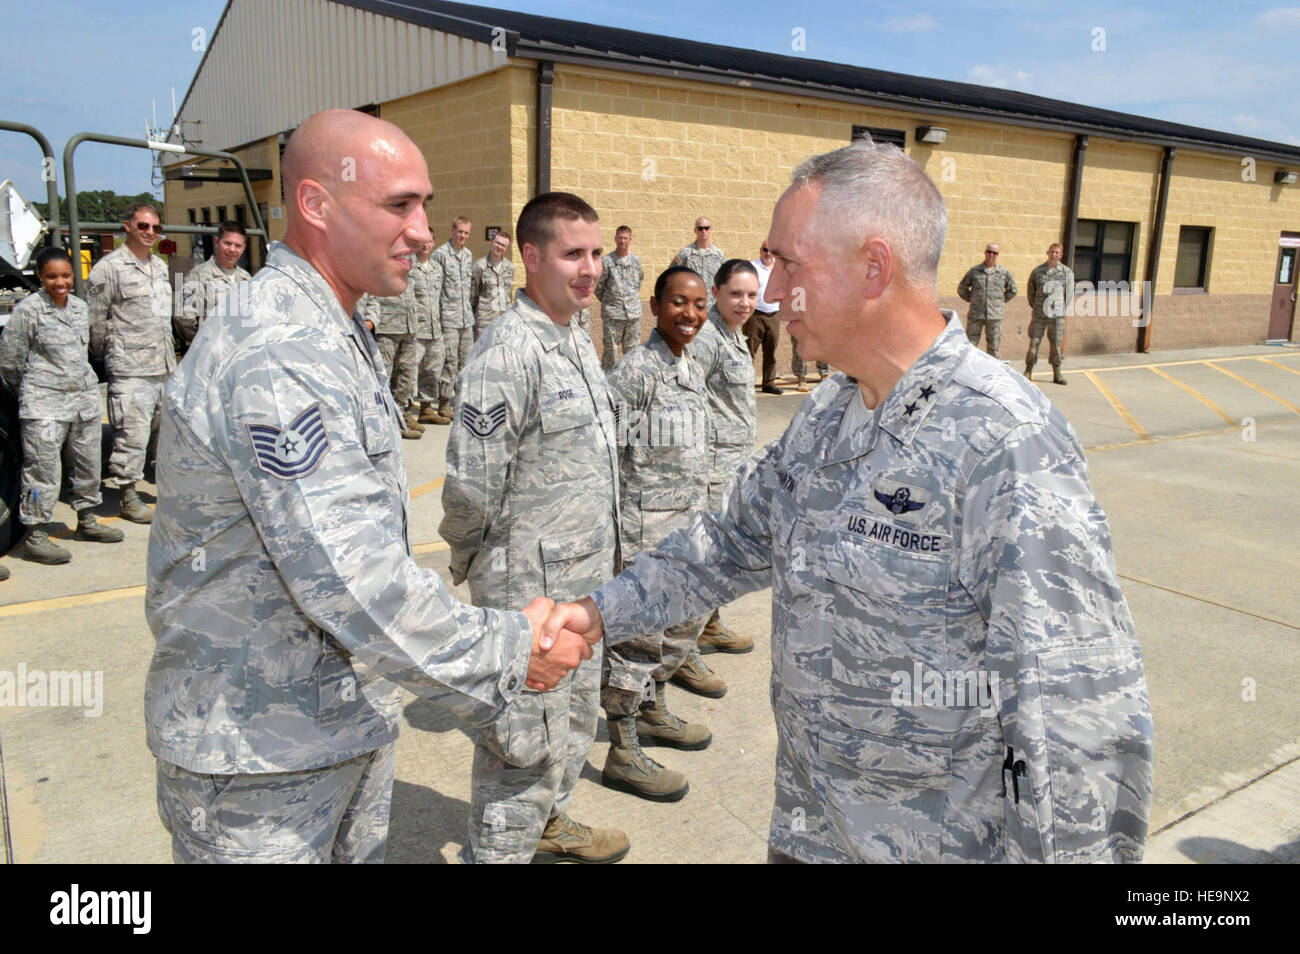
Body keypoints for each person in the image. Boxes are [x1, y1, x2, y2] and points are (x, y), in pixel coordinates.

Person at [546, 139, 1153, 863]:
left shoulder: (1003, 439)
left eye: (787, 262)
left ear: (873, 267)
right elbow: (728, 542)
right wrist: (592, 613)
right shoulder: (831, 410)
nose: (767, 288)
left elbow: (1075, 716)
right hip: (811, 830)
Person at [143, 109, 594, 864]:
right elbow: (351, 579)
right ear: (316, 205)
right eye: (399, 205)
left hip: (330, 724)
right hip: (261, 760)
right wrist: (514, 650)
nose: (422, 230)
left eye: (423, 204)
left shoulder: (331, 327)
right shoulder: (282, 348)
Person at [441, 192, 627, 865]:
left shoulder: (574, 337)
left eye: (596, 253)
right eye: (572, 254)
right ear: (530, 256)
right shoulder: (508, 352)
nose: (589, 269)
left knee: (573, 724)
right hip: (528, 586)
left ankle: (552, 821)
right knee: (522, 742)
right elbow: (470, 483)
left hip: (581, 583)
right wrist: (480, 568)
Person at [599, 266, 713, 803]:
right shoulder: (635, 373)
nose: (689, 314)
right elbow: (605, 455)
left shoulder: (690, 369)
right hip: (645, 535)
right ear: (654, 306)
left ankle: (653, 712)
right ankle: (622, 750)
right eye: (677, 303)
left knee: (678, 631)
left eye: (698, 304)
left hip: (687, 532)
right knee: (637, 642)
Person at [0, 247, 124, 565]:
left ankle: (86, 519)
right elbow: (10, 362)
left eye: (66, 275)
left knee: (87, 464)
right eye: (52, 276)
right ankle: (36, 534)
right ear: (40, 277)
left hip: (82, 402)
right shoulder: (29, 311)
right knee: (43, 471)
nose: (60, 282)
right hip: (44, 403)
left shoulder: (80, 309)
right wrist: (31, 392)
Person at [677, 259, 759, 693]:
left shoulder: (735, 335)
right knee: (702, 562)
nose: (744, 302)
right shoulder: (707, 339)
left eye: (750, 294)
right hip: (709, 470)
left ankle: (709, 626)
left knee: (720, 558)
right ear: (716, 293)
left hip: (733, 466)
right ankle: (683, 655)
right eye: (735, 294)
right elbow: (688, 398)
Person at [86, 203, 176, 524]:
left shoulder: (160, 267)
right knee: (131, 434)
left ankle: (164, 487)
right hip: (130, 368)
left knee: (166, 434)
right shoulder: (108, 269)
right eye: (143, 226)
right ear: (128, 226)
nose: (150, 232)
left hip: (163, 366)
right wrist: (107, 354)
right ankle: (127, 495)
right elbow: (95, 320)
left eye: (154, 227)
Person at [359, 257, 429, 439]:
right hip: (387, 327)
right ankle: (387, 421)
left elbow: (418, 293)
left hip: (409, 325)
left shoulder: (411, 258)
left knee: (407, 374)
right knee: (386, 376)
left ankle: (402, 415)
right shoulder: (380, 255)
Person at [177, 221, 251, 349]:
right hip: (210, 354)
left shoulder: (246, 278)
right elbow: (184, 318)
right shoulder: (200, 276)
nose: (232, 250)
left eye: (238, 245)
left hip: (239, 353)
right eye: (227, 243)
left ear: (243, 248)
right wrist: (204, 343)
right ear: (217, 242)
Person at [433, 216, 474, 417]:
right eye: (460, 232)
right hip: (448, 318)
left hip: (466, 319)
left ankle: (461, 400)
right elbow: (435, 289)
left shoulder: (468, 255)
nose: (463, 236)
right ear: (452, 231)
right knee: (449, 361)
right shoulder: (440, 255)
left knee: (466, 361)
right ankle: (443, 402)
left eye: (466, 233)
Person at [593, 225, 643, 371]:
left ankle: (631, 380)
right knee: (611, 352)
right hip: (612, 314)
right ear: (615, 239)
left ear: (630, 240)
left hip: (632, 313)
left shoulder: (636, 261)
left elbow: (638, 282)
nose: (622, 241)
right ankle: (609, 381)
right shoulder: (606, 261)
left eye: (625, 238)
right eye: (620, 238)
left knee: (633, 351)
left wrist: (629, 299)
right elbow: (598, 286)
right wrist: (611, 302)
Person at [956, 241, 1017, 359]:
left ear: (998, 255)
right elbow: (961, 289)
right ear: (985, 252)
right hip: (976, 315)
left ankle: (992, 375)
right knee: (970, 346)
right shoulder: (974, 271)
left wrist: (999, 302)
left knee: (993, 347)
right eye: (989, 252)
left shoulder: (1003, 272)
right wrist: (974, 300)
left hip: (995, 316)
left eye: (995, 253)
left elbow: (1013, 290)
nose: (991, 255)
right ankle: (969, 371)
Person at [413, 236, 449, 426]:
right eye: (422, 242)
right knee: (410, 371)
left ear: (433, 243)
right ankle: (405, 411)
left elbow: (441, 298)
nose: (426, 245)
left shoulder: (437, 269)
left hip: (435, 330)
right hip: (417, 330)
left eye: (429, 242)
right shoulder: (410, 267)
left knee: (432, 371)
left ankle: (426, 408)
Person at [1025, 242, 1074, 385]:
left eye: (1056, 253)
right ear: (1047, 253)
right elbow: (1031, 291)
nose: (1054, 255)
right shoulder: (1038, 271)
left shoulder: (1067, 273)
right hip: (1039, 314)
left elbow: (1068, 295)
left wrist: (1061, 310)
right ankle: (1028, 370)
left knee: (1055, 345)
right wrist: (1037, 306)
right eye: (1052, 252)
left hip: (1057, 315)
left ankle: (1057, 373)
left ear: (1061, 255)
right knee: (1034, 342)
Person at [745, 242, 783, 394]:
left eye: (771, 250)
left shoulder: (780, 268)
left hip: (774, 313)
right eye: (765, 250)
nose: (768, 253)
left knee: (771, 351)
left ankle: (769, 383)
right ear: (760, 250)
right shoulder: (752, 267)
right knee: (749, 351)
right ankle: (746, 384)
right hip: (755, 314)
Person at [469, 229, 515, 341]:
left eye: (503, 245)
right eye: (498, 243)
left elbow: (508, 294)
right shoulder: (480, 266)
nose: (500, 247)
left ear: (507, 249)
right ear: (492, 242)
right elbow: (472, 296)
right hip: (484, 321)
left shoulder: (510, 268)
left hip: (504, 320)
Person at [671, 217, 724, 307]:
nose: (703, 231)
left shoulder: (718, 254)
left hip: (713, 306)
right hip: (691, 305)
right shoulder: (685, 253)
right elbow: (672, 274)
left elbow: (726, 276)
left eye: (706, 228)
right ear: (695, 230)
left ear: (710, 229)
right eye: (700, 228)